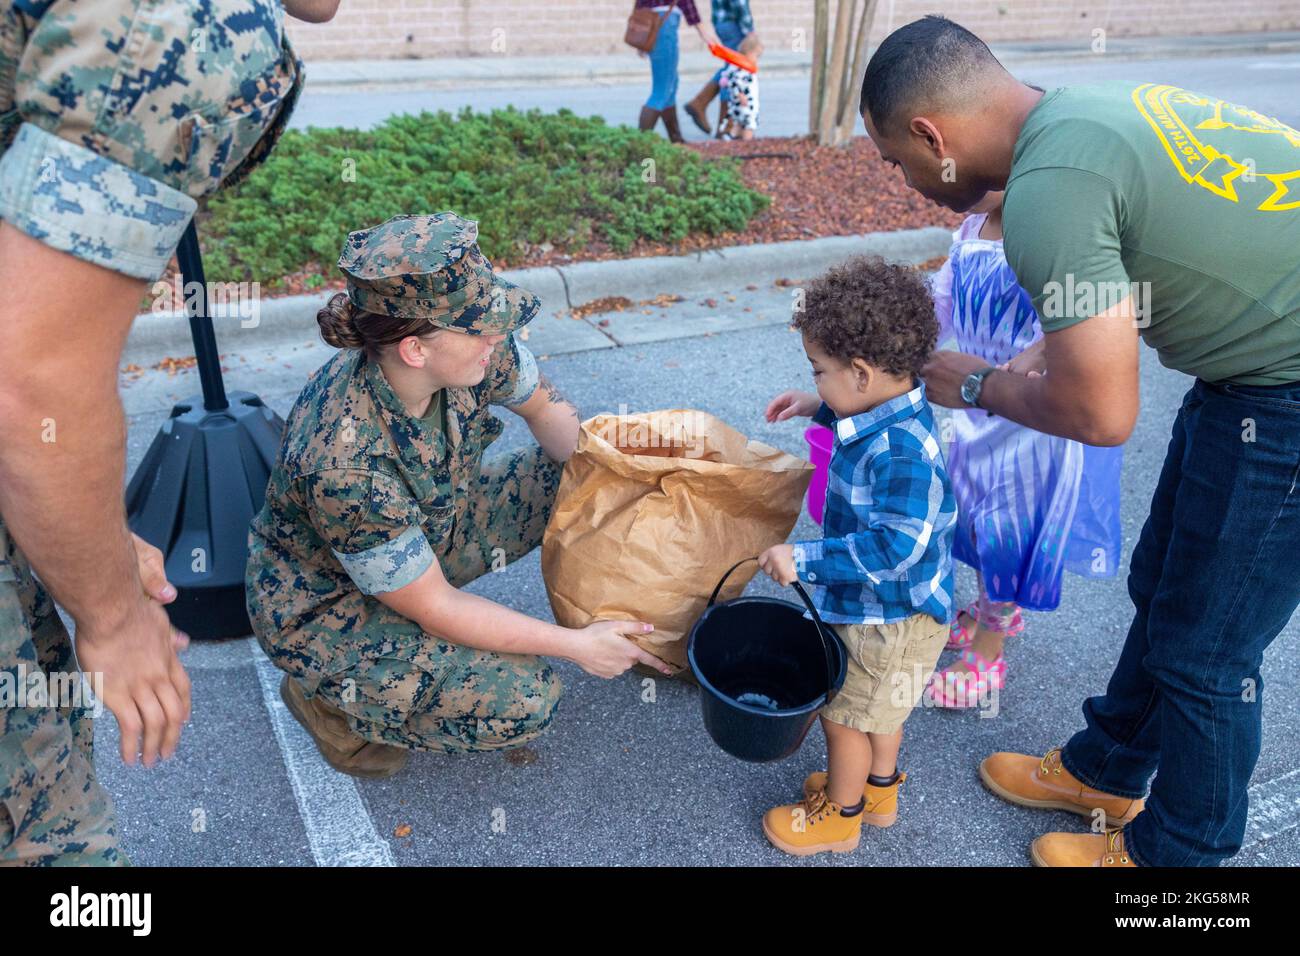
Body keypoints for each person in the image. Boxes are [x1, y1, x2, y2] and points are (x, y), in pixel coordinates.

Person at [861, 15, 1300, 866]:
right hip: (1253, 372)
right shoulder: (1080, 116)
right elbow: (1160, 252)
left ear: (930, 133)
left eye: (894, 161)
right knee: (1166, 584)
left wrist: (978, 384)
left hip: (1287, 389)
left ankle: (1181, 865)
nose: (903, 179)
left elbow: (1103, 417)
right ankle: (1108, 769)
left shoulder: (1043, 197)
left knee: (1210, 651)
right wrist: (1052, 343)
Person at [0, 0, 331, 867]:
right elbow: (33, 386)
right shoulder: (180, 18)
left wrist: (97, 539)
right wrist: (111, 615)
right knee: (55, 852)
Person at [247, 213, 670, 778]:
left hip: (422, 535)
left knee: (577, 473)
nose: (495, 335)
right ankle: (332, 702)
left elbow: (547, 411)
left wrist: (623, 476)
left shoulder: (471, 351)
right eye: (478, 326)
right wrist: (577, 644)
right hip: (328, 607)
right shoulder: (344, 464)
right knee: (525, 700)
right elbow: (438, 607)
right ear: (416, 350)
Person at [757, 256, 956, 857]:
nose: (816, 380)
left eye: (818, 372)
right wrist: (812, 403)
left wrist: (805, 560)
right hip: (899, 611)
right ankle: (880, 791)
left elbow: (896, 547)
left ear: (862, 372)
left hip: (884, 618)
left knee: (844, 714)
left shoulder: (900, 452)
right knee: (883, 711)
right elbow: (847, 408)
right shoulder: (885, 409)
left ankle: (841, 816)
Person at [924, 189, 1123, 709]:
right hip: (971, 410)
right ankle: (996, 606)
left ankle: (987, 656)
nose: (952, 187)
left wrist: (1033, 358)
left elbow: (1080, 326)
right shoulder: (971, 230)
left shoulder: (1051, 236)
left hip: (1028, 418)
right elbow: (941, 303)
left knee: (1005, 530)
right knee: (968, 517)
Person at [636, 0, 720, 142]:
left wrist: (641, 32)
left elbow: (640, 3)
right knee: (661, 90)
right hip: (664, 24)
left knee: (671, 84)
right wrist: (702, 30)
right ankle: (639, 145)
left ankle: (676, 139)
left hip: (651, 22)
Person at [684, 0, 756, 135]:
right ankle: (725, 128)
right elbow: (739, 3)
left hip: (722, 21)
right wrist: (749, 30)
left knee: (731, 68)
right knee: (734, 71)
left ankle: (700, 103)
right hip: (734, 24)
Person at [716, 34, 763, 140]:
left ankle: (731, 139)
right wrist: (740, 94)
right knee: (749, 125)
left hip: (738, 104)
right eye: (757, 56)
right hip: (746, 104)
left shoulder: (738, 66)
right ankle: (747, 143)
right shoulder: (741, 67)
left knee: (738, 124)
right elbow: (734, 81)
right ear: (749, 53)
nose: (757, 60)